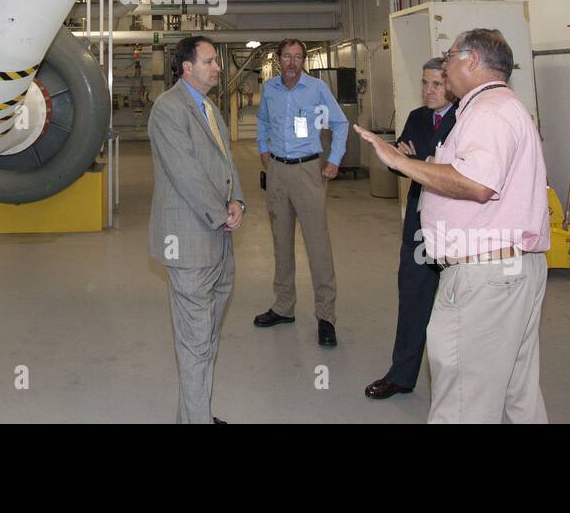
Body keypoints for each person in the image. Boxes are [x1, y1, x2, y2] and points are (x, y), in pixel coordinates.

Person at [355, 28, 551, 423]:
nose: (444, 67)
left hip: (485, 275)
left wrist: (402, 163)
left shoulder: (488, 112)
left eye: (449, 57)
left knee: (463, 399)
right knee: (515, 394)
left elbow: (477, 184)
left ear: (472, 60)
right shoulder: (501, 107)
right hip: (508, 269)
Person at [148, 35, 246, 424]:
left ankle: (194, 415)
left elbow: (226, 162)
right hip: (189, 244)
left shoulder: (208, 107)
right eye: (209, 61)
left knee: (203, 341)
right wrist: (221, 213)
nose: (217, 67)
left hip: (218, 243)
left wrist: (237, 199)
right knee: (194, 344)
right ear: (187, 67)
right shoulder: (168, 110)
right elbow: (186, 174)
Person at [365, 57, 456, 401]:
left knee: (457, 308)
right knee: (413, 299)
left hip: (458, 228)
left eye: (437, 84)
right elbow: (402, 162)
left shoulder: (468, 117)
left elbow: (453, 170)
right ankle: (401, 375)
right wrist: (403, 160)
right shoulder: (417, 118)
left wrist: (418, 161)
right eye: (425, 83)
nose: (429, 90)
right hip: (419, 226)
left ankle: (456, 383)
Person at [253, 38, 348, 347]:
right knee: (281, 242)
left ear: (303, 60)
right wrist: (263, 149)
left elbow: (340, 123)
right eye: (286, 56)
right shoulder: (269, 89)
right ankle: (283, 306)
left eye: (297, 57)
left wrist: (333, 159)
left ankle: (326, 316)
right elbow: (262, 121)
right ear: (278, 59)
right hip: (278, 171)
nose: (292, 62)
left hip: (309, 171)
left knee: (317, 245)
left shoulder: (316, 89)